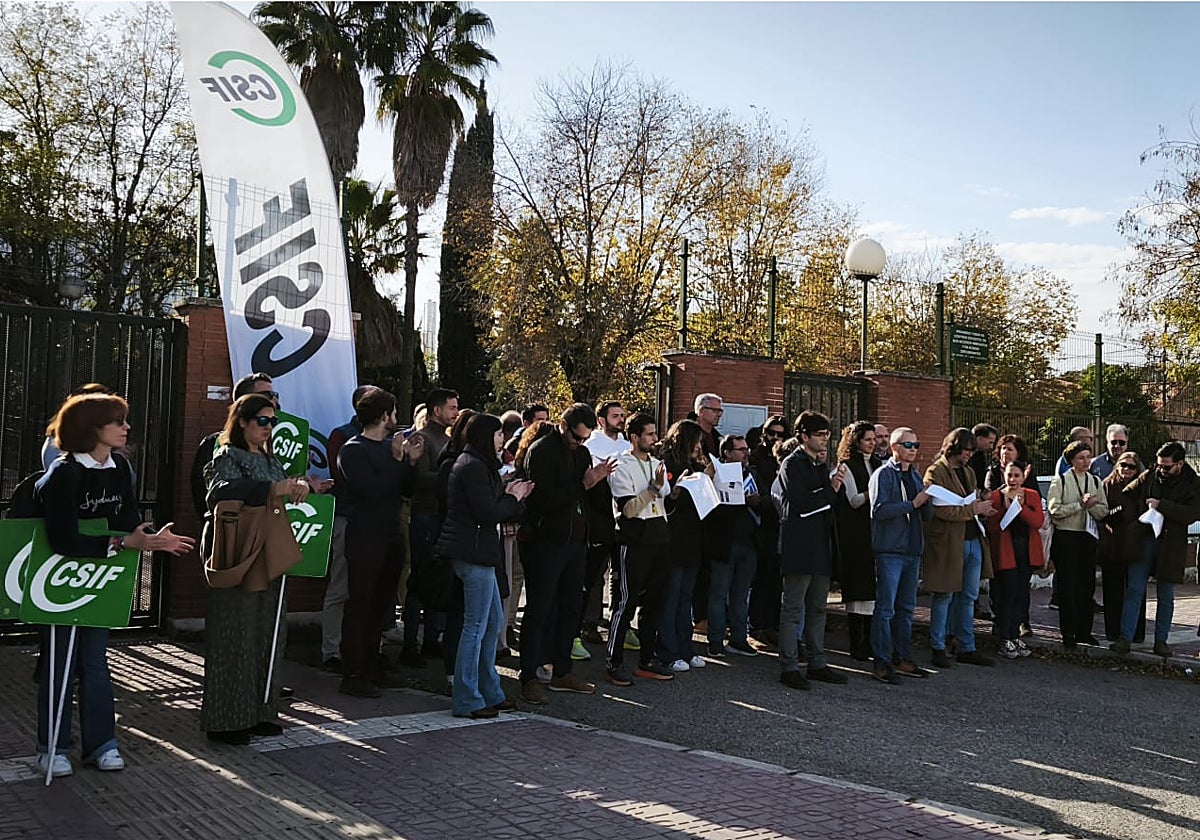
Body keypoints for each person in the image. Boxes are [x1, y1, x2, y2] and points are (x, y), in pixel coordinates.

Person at [33, 393, 193, 776]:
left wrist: (153, 540)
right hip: (60, 577)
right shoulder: (63, 473)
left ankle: (102, 744)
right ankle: (51, 747)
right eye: (117, 421)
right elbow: (63, 539)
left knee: (96, 662)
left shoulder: (120, 466)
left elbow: (128, 517)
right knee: (60, 663)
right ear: (91, 428)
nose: (126, 428)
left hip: (101, 577)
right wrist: (121, 544)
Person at [201, 393, 306, 744]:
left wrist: (301, 486)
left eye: (273, 421)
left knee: (268, 630)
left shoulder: (270, 457)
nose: (269, 428)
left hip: (269, 549)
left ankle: (261, 710)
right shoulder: (226, 454)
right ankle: (226, 719)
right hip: (238, 549)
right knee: (236, 630)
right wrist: (273, 489)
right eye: (262, 420)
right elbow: (220, 492)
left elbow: (279, 488)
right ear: (242, 421)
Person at [436, 414, 533, 717]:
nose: (502, 439)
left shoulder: (478, 464)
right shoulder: (472, 465)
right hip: (472, 553)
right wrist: (512, 497)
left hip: (480, 553)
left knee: (492, 623)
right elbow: (487, 513)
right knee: (475, 626)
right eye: (498, 434)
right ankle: (466, 697)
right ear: (483, 436)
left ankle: (489, 690)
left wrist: (509, 494)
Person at [519, 404, 612, 702]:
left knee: (572, 606)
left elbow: (588, 495)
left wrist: (598, 481)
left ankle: (562, 670)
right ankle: (529, 674)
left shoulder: (582, 453)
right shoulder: (542, 450)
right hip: (547, 539)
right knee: (540, 608)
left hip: (576, 540)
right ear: (564, 425)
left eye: (584, 439)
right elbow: (542, 499)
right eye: (576, 437)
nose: (580, 443)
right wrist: (582, 483)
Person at [336, 389, 424, 697]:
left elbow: (405, 490)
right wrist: (399, 461)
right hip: (365, 537)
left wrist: (410, 463)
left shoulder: (390, 448)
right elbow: (371, 489)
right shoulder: (353, 449)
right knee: (360, 603)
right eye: (394, 413)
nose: (397, 420)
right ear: (384, 416)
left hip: (390, 535)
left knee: (382, 604)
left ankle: (373, 664)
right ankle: (353, 672)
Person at [776, 411, 847, 690]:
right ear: (803, 436)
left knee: (818, 608)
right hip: (799, 545)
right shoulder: (792, 464)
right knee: (793, 608)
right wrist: (831, 488)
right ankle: (789, 665)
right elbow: (803, 503)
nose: (824, 440)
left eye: (827, 435)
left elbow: (826, 504)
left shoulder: (819, 463)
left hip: (819, 545)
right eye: (819, 434)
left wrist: (833, 486)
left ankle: (817, 662)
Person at [604, 413, 675, 684]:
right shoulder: (621, 465)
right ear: (634, 437)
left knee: (655, 602)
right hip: (634, 541)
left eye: (655, 433)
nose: (654, 439)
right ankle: (614, 661)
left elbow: (664, 498)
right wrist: (653, 489)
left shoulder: (657, 462)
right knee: (626, 602)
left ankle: (647, 659)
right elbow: (630, 510)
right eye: (649, 434)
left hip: (660, 538)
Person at [1111, 442, 1200, 657]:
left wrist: (1162, 506)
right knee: (1134, 589)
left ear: (1179, 464)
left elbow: (1193, 513)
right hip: (1145, 540)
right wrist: (1138, 518)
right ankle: (1125, 638)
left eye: (1167, 467)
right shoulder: (1150, 475)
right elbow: (1126, 493)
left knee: (1166, 595)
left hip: (1171, 545)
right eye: (1159, 465)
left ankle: (1161, 641)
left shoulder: (1193, 483)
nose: (1162, 470)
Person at [923, 428, 995, 669]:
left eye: (971, 451)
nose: (968, 455)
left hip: (973, 537)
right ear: (954, 447)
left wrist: (982, 506)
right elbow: (939, 509)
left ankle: (967, 645)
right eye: (966, 450)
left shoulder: (969, 472)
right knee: (944, 594)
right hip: (948, 541)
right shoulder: (936, 471)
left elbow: (971, 502)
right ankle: (938, 645)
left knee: (969, 596)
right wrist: (972, 510)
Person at [320, 384, 379, 673]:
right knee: (340, 586)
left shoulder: (387, 438)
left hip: (374, 522)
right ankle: (331, 649)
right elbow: (341, 476)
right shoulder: (342, 436)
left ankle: (366, 648)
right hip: (347, 516)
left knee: (370, 590)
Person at [868, 427, 932, 685]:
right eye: (908, 445)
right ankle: (881, 661)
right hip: (890, 550)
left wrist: (928, 502)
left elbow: (923, 514)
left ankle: (901, 656)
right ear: (894, 447)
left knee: (906, 609)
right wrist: (912, 504)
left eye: (916, 444)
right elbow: (878, 510)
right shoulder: (883, 474)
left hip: (912, 550)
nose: (913, 449)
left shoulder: (916, 476)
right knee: (885, 609)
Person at [403, 388, 459, 666]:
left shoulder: (446, 439)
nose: (455, 413)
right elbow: (419, 478)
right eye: (451, 408)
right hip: (425, 516)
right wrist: (452, 476)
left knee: (440, 578)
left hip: (441, 516)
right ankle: (410, 643)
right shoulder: (422, 439)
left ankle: (431, 639)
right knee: (420, 579)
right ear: (436, 410)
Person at [576, 401, 631, 660]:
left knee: (619, 572)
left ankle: (618, 621)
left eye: (622, 416)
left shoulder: (627, 444)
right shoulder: (591, 445)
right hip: (599, 514)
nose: (620, 420)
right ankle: (588, 622)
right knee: (594, 573)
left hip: (624, 515)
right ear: (601, 420)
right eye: (615, 416)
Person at [657, 418, 712, 672]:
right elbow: (665, 503)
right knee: (672, 597)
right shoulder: (668, 462)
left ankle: (685, 647)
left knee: (685, 598)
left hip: (694, 539)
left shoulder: (694, 464)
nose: (700, 447)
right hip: (673, 540)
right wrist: (675, 493)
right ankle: (668, 650)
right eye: (697, 441)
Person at [1047, 440, 1108, 648]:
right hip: (1066, 538)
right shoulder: (1061, 481)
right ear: (1071, 460)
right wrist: (1078, 505)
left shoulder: (1096, 481)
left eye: (1088, 457)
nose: (1085, 461)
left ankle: (1085, 631)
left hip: (1087, 538)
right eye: (1081, 458)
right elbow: (1055, 511)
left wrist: (1091, 507)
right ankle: (1068, 632)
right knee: (1068, 586)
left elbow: (1103, 510)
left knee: (1086, 586)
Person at [707, 434, 760, 658]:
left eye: (746, 449)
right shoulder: (716, 474)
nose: (745, 453)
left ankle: (738, 639)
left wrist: (756, 501)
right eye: (740, 450)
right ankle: (716, 640)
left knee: (740, 594)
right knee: (719, 593)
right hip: (724, 542)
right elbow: (711, 507)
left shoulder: (751, 473)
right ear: (727, 453)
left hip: (748, 543)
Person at [984, 461, 1044, 659]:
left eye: (1017, 475)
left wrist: (1020, 507)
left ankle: (1015, 635)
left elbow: (1038, 522)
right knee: (1007, 594)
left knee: (1020, 594)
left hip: (1026, 552)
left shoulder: (1032, 495)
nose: (1012, 480)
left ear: (1022, 477)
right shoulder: (996, 496)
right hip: (1006, 553)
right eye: (1009, 475)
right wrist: (1005, 510)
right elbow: (993, 528)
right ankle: (1005, 637)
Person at [835, 421, 882, 662]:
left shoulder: (877, 464)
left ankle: (871, 642)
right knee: (858, 588)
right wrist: (875, 492)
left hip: (876, 531)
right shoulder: (847, 465)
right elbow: (853, 499)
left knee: (873, 589)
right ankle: (856, 644)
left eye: (874, 439)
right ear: (856, 441)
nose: (873, 443)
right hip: (856, 532)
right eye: (867, 439)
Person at [1099, 451, 1146, 643]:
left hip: (1135, 546)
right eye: (1122, 465)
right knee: (1112, 592)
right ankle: (1113, 632)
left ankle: (1136, 633)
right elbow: (1100, 513)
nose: (1126, 469)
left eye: (1131, 466)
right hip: (1112, 545)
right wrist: (1110, 515)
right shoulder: (1107, 485)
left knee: (1135, 591)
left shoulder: (1143, 488)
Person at [748, 415, 787, 648]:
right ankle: (757, 626)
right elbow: (759, 492)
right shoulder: (757, 457)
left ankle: (771, 625)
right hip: (763, 523)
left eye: (779, 434)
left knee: (776, 581)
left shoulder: (784, 459)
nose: (774, 438)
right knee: (762, 579)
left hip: (781, 522)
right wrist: (765, 501)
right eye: (771, 433)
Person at [967, 423, 998, 489]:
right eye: (990, 442)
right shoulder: (964, 456)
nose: (991, 447)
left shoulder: (980, 457)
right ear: (979, 439)